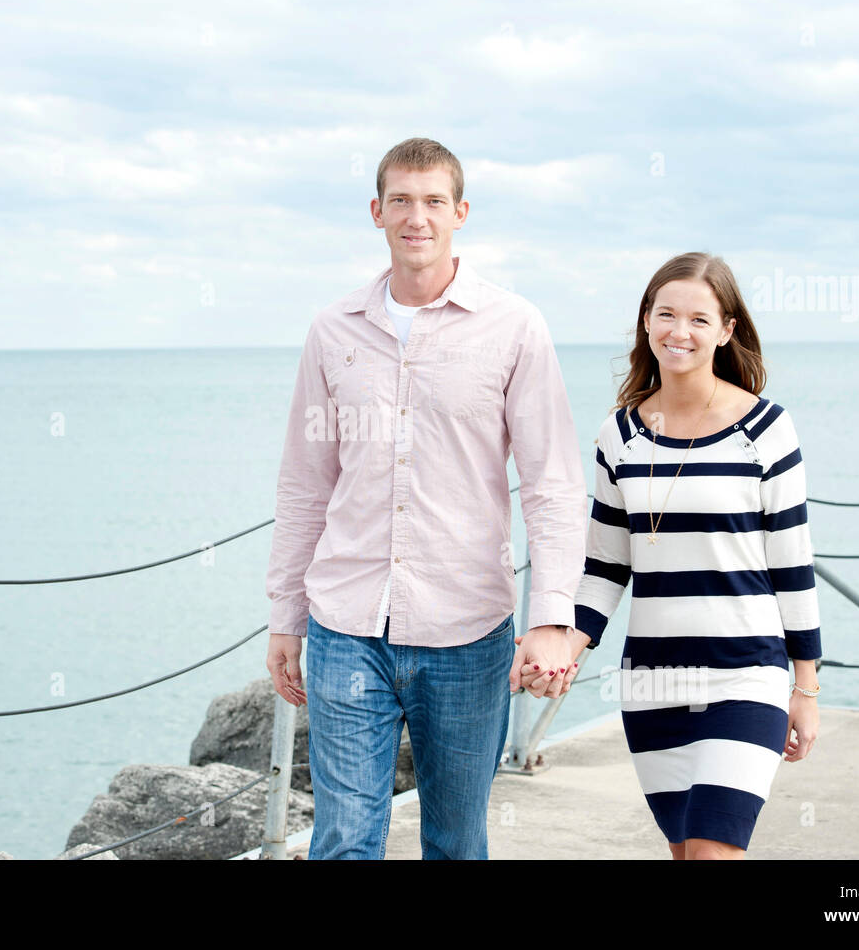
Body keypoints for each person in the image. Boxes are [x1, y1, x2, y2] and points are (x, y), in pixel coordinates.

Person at [264, 137, 587, 860]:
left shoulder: (515, 328)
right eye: (402, 200)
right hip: (347, 623)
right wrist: (285, 614)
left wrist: (553, 618)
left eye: (434, 201)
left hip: (468, 630)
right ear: (377, 211)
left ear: (460, 213)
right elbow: (305, 484)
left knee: (455, 840)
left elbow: (553, 484)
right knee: (344, 839)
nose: (418, 216)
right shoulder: (331, 330)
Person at [568, 251, 821, 860]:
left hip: (746, 675)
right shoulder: (619, 436)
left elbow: (793, 564)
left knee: (712, 852)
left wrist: (805, 687)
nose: (680, 332)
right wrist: (564, 649)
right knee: (686, 854)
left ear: (727, 330)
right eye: (667, 314)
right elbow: (605, 566)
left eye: (700, 319)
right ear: (647, 321)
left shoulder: (765, 429)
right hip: (653, 681)